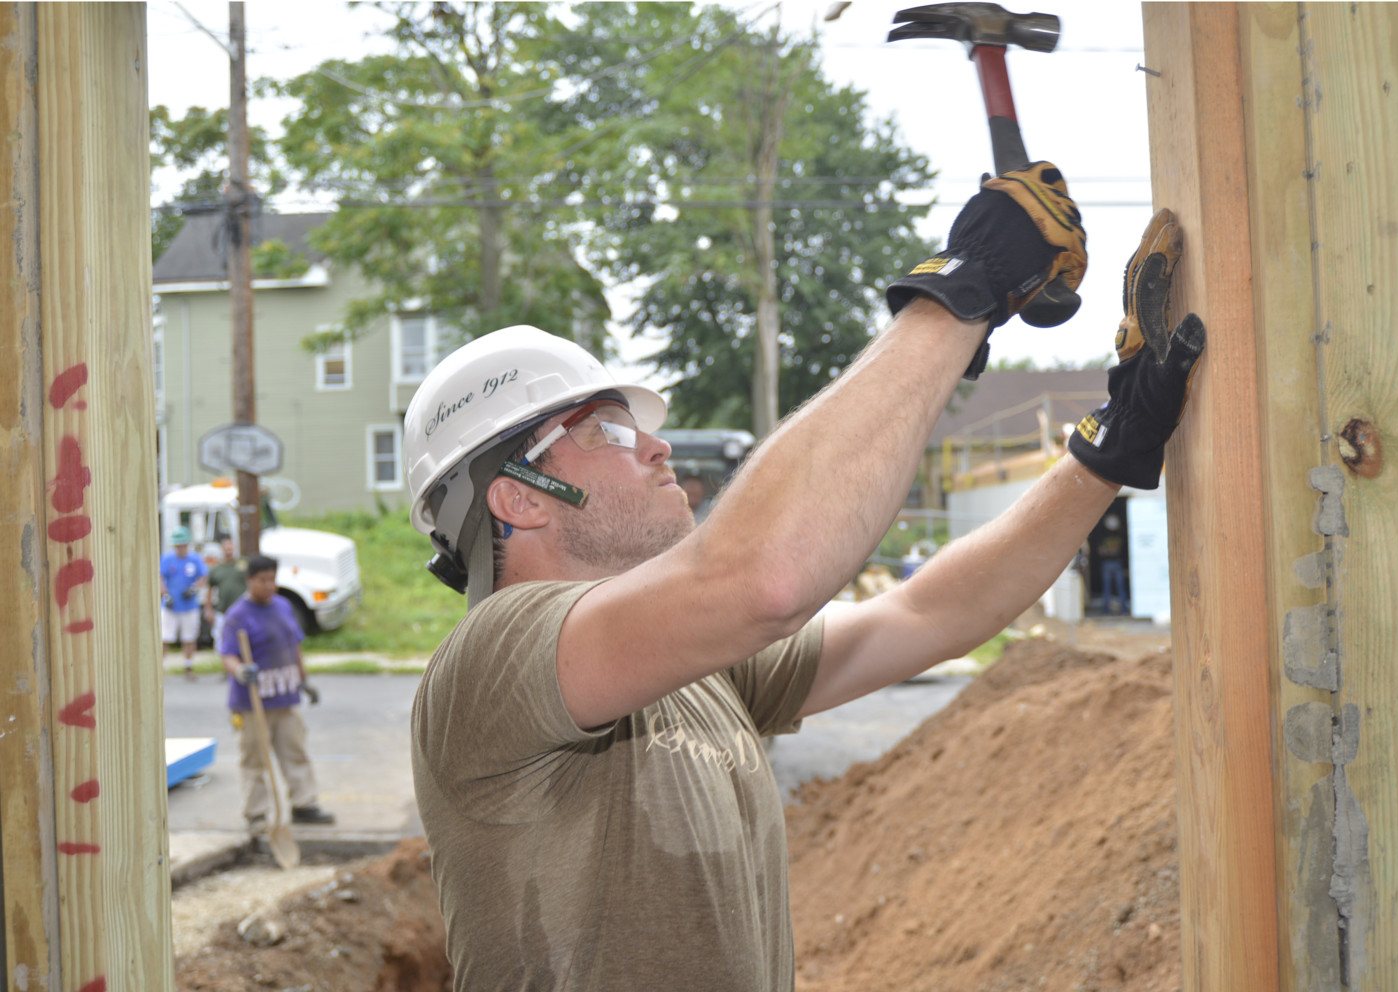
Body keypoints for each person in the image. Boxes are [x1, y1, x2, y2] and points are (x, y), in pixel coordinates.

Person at [405, 169, 1202, 989]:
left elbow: (928, 613)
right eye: (605, 430)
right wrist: (964, 288)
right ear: (518, 497)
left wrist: (1105, 453)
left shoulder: (692, 667)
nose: (657, 446)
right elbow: (764, 577)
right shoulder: (489, 665)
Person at [219, 554, 335, 835]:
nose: (268, 585)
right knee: (254, 760)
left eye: (272, 579)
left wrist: (304, 681)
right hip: (253, 703)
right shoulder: (237, 616)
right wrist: (240, 671)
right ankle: (256, 813)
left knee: (295, 752)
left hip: (285, 696)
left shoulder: (283, 607)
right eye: (262, 580)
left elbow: (295, 645)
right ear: (249, 581)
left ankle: (304, 804)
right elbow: (228, 655)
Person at [160, 525, 208, 680]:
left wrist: (194, 588)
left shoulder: (195, 559)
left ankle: (188, 666)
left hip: (189, 605)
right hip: (171, 605)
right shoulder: (167, 559)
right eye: (177, 545)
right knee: (165, 637)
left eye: (183, 545)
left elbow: (204, 577)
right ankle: (160, 667)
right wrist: (165, 594)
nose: (180, 548)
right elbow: (159, 578)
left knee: (189, 637)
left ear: (187, 544)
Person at [204, 536, 248, 650]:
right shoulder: (216, 569)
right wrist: (208, 609)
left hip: (241, 609)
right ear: (222, 549)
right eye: (226, 547)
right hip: (223, 610)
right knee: (220, 638)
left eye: (230, 547)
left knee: (242, 637)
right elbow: (209, 589)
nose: (228, 549)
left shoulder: (243, 565)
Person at [1096, 513, 1129, 614]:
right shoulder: (1119, 536)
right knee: (1119, 587)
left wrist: (1107, 551)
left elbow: (1101, 551)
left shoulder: (1103, 536)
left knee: (1108, 588)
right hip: (1116, 563)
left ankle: (1106, 609)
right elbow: (1118, 551)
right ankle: (1123, 609)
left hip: (1108, 563)